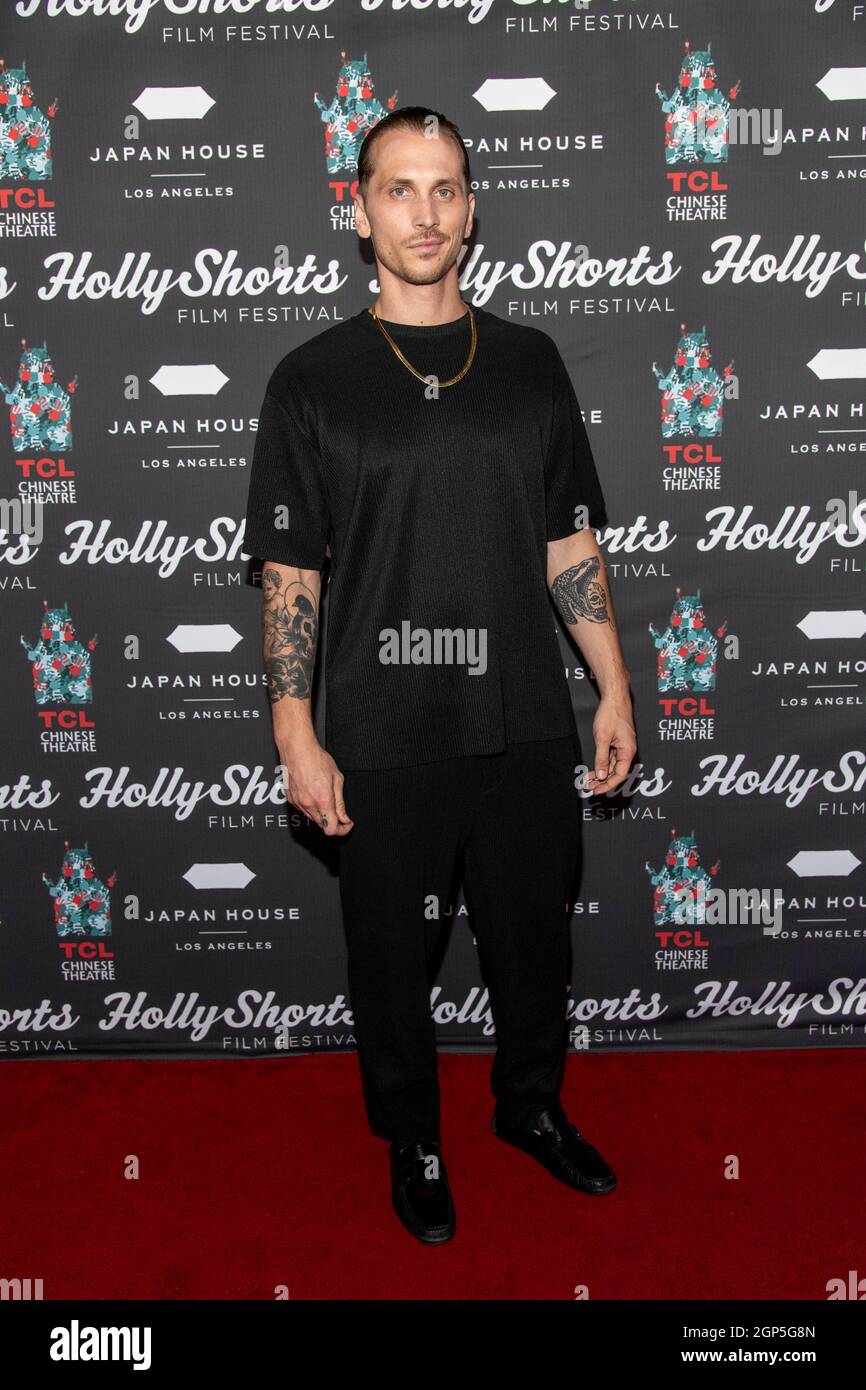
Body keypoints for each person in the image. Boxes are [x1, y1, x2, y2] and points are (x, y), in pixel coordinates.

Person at [242, 106, 637, 1245]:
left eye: (447, 189)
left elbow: (567, 541)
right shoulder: (310, 380)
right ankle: (411, 1135)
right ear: (357, 207)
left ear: (472, 208)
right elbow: (290, 576)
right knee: (390, 960)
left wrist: (609, 683)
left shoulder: (527, 362)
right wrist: (294, 731)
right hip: (379, 726)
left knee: (531, 942)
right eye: (399, 188)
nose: (425, 212)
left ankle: (529, 1108)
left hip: (522, 720)